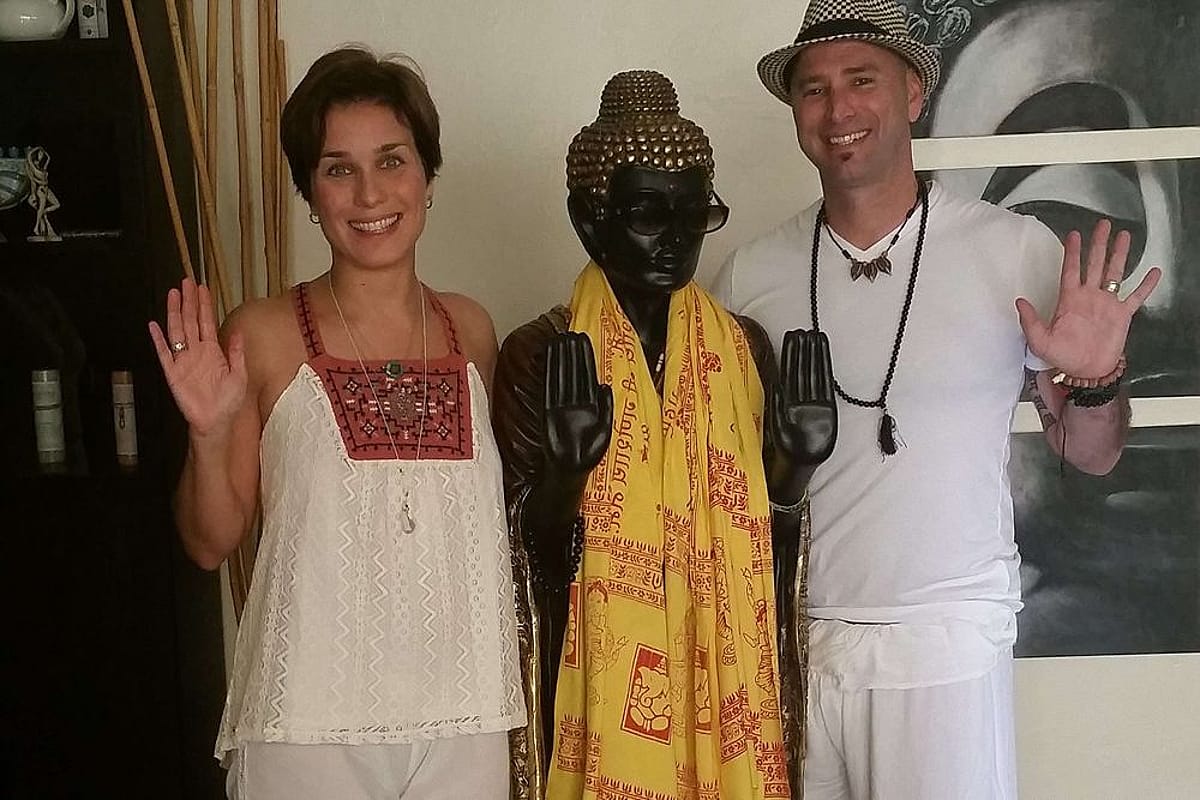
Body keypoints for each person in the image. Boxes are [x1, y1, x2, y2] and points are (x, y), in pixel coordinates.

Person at [712, 1, 1162, 798]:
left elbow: (1093, 454)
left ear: (913, 93)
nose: (839, 109)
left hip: (946, 643)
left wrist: (1095, 380)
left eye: (861, 80)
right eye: (813, 90)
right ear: (795, 112)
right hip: (794, 646)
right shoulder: (751, 274)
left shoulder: (1011, 247)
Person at [148, 47, 525, 799]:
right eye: (337, 168)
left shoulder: (473, 332)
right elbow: (208, 541)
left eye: (392, 160)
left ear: (426, 176)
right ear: (309, 193)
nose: (369, 193)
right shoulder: (260, 334)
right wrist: (210, 432)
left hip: (467, 715)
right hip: (307, 723)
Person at [492, 70, 836, 800]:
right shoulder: (544, 352)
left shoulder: (743, 352)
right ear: (590, 218)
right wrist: (565, 474)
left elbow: (765, 562)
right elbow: (530, 577)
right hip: (598, 695)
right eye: (650, 211)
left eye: (694, 213)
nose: (678, 240)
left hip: (725, 687)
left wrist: (793, 473)